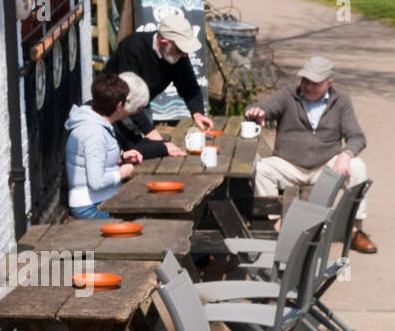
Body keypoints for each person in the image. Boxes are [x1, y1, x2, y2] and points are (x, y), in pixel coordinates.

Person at [245, 56, 374, 254]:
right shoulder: (289, 95)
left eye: (314, 83)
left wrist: (346, 155)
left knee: (357, 166)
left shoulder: (341, 101)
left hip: (325, 166)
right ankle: (271, 226)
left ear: (328, 83)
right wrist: (256, 111)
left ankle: (355, 229)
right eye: (304, 80)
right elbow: (266, 108)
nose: (307, 86)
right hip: (289, 163)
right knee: (262, 168)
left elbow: (357, 136)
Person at [103, 13, 215, 145]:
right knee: (129, 149)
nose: (184, 54)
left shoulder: (177, 56)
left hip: (141, 107)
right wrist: (150, 131)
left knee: (151, 151)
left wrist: (197, 113)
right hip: (112, 108)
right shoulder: (133, 47)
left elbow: (189, 86)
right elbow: (128, 95)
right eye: (180, 50)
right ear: (164, 43)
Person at [65, 74, 138, 219]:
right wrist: (121, 173)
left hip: (103, 200)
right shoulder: (94, 133)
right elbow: (96, 182)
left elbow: (94, 157)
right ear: (119, 106)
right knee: (148, 224)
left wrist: (121, 156)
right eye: (126, 101)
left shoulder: (96, 124)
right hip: (91, 207)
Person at [114, 71, 186, 161]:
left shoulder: (114, 120)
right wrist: (163, 148)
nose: (135, 114)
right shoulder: (100, 120)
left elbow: (134, 142)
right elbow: (127, 151)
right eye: (138, 109)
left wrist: (163, 145)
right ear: (126, 103)